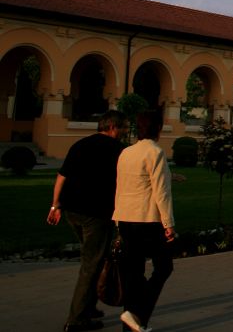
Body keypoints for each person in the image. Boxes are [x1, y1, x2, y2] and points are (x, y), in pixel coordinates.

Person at [47, 110, 127, 332]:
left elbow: (62, 176)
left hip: (72, 211)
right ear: (113, 127)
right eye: (123, 128)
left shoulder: (80, 145)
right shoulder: (117, 150)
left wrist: (55, 205)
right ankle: (76, 320)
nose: (125, 132)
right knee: (91, 265)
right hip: (96, 214)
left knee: (94, 260)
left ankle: (89, 307)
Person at [113, 109, 175, 332]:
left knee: (133, 272)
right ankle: (137, 313)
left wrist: (117, 219)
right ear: (157, 128)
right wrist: (168, 223)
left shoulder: (126, 152)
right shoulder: (155, 152)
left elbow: (124, 185)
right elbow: (161, 192)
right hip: (147, 220)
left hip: (125, 218)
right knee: (164, 267)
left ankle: (132, 324)